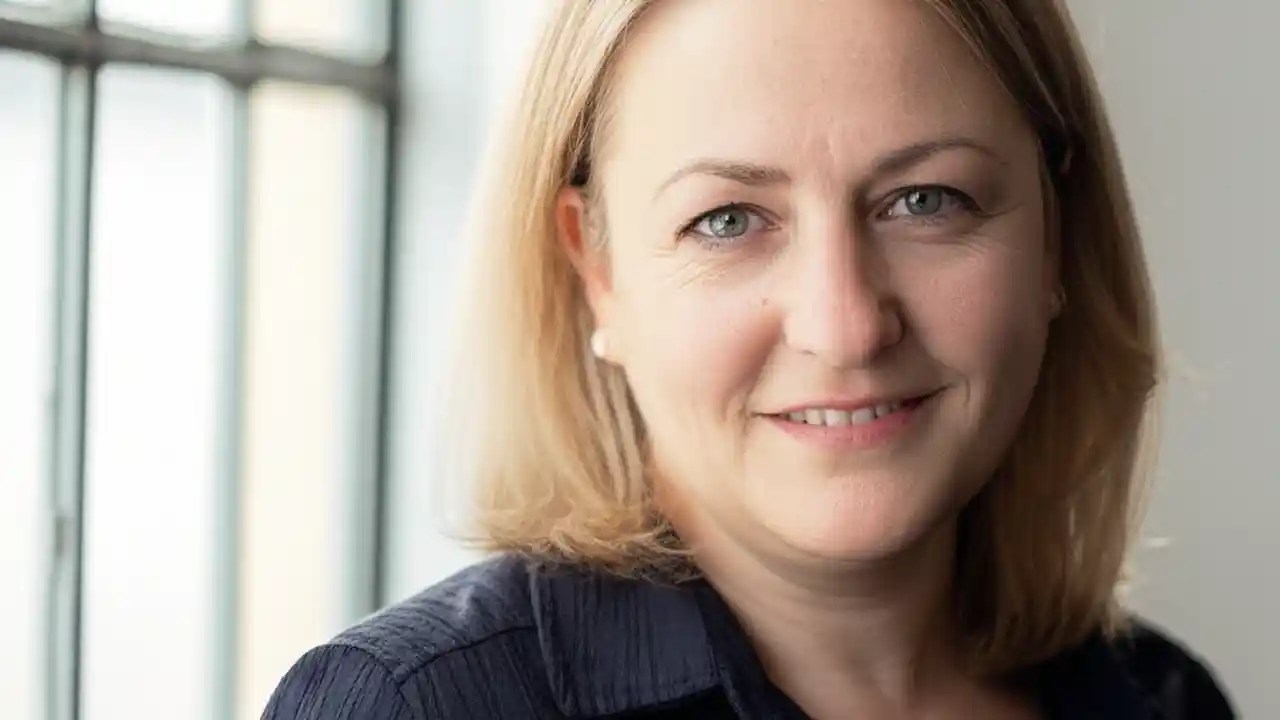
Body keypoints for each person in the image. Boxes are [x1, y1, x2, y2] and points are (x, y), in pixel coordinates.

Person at [263, 0, 1236, 717]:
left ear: (1053, 237)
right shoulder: (415, 707)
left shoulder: (1161, 700)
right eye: (726, 220)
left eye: (926, 200)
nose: (844, 325)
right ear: (595, 269)